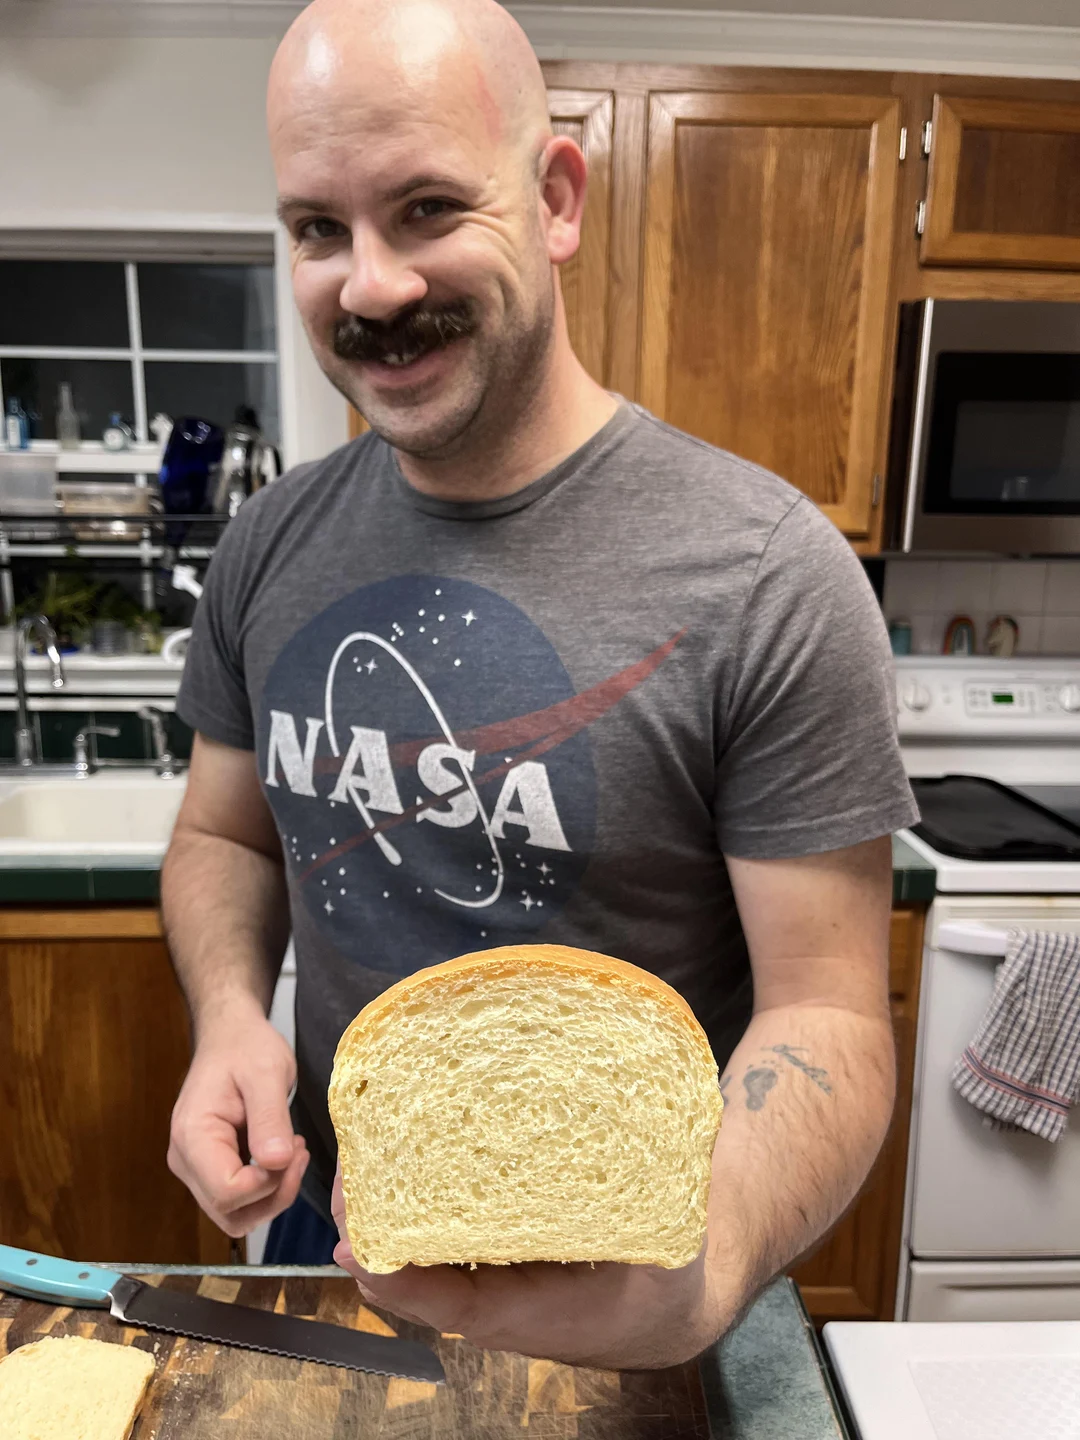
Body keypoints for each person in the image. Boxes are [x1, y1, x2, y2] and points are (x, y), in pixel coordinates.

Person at [163, 0, 918, 1369]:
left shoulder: (766, 573)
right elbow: (222, 832)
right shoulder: (271, 541)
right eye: (320, 231)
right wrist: (230, 1019)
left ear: (556, 197)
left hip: (648, 1265)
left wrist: (706, 1269)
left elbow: (828, 1013)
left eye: (429, 207)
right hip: (338, 1230)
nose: (372, 287)